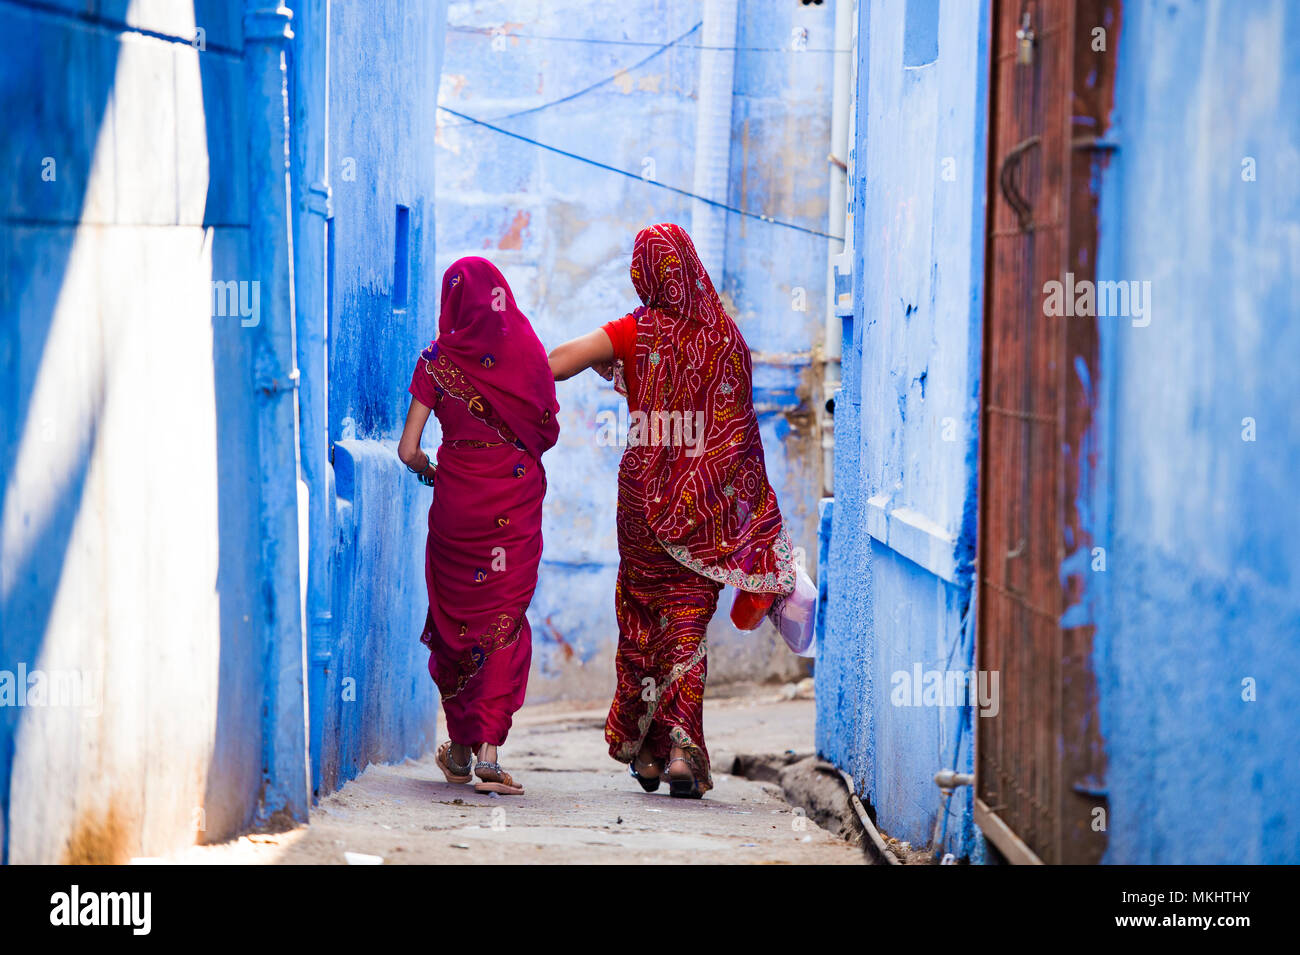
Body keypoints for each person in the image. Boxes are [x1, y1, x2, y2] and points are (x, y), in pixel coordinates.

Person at [547, 223, 797, 798]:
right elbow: (737, 432)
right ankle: (682, 749)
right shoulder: (727, 339)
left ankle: (649, 755)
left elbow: (556, 362)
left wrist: (600, 362)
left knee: (642, 617)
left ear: (643, 272)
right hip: (706, 505)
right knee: (686, 623)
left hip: (642, 501)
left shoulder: (636, 332)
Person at [398, 256, 559, 795]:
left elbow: (408, 451)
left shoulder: (435, 361)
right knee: (503, 616)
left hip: (456, 504)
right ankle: (487, 753)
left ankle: (461, 748)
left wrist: (435, 474)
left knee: (456, 623)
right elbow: (546, 429)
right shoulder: (528, 354)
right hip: (511, 501)